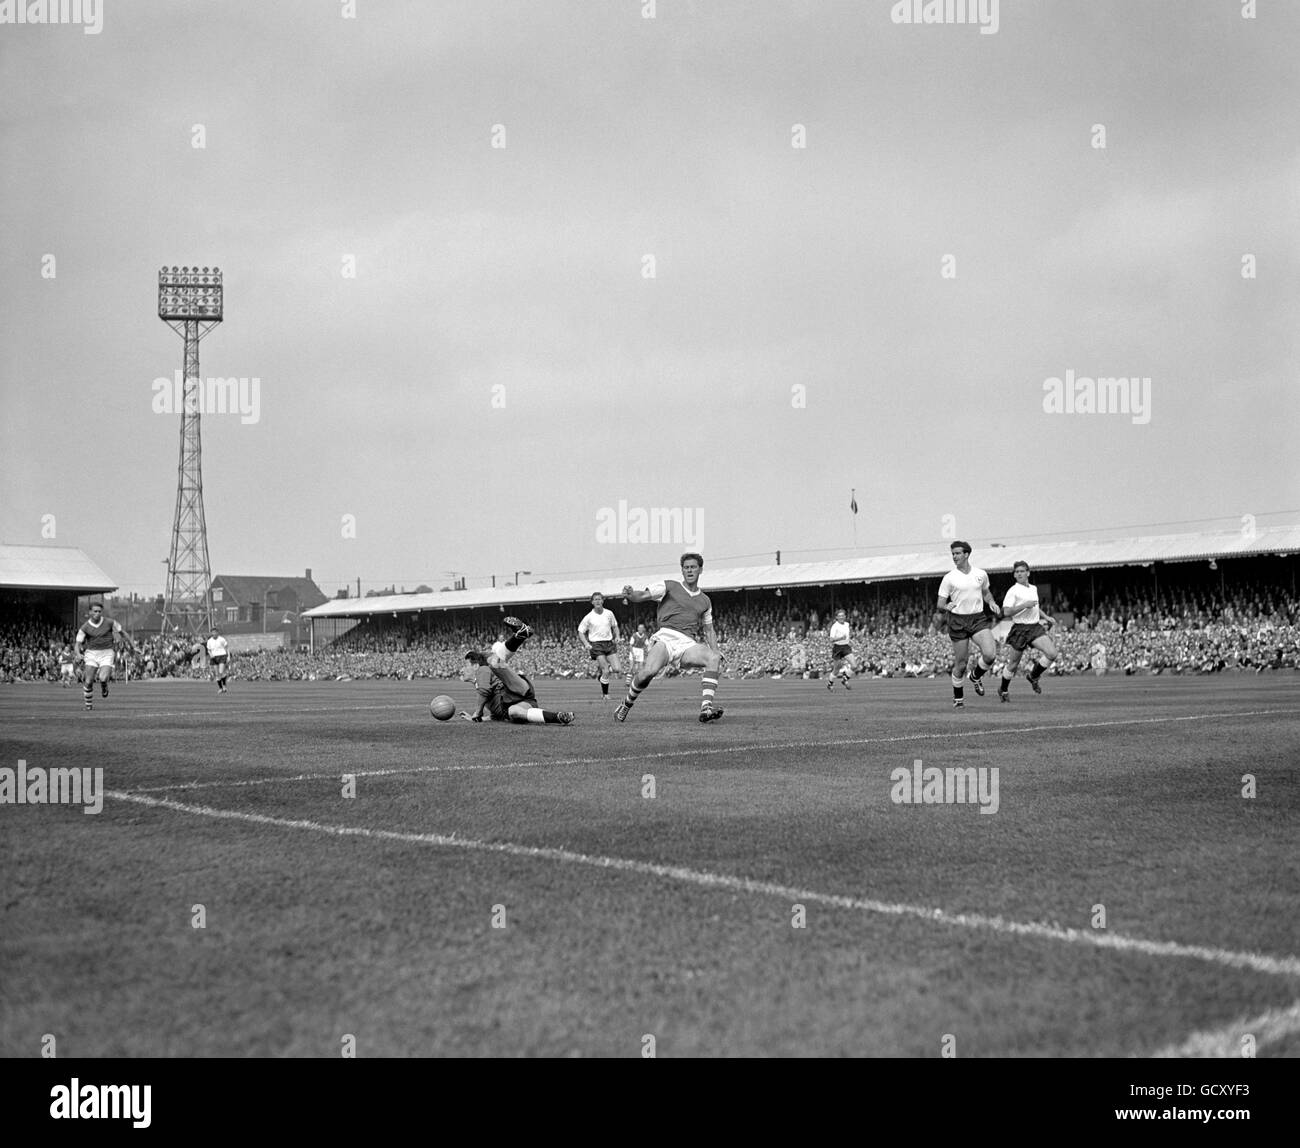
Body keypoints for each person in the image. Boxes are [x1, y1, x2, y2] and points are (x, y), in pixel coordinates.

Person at [615, 552, 724, 724]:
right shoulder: (669, 586)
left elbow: (709, 630)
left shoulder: (705, 601)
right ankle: (626, 704)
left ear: (700, 570)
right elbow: (642, 596)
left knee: (713, 657)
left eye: (693, 567)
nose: (689, 570)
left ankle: (706, 708)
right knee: (647, 673)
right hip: (665, 638)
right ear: (682, 570)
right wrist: (630, 595)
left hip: (687, 644)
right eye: (686, 567)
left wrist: (717, 650)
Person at [934, 541, 1001, 708]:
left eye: (957, 553)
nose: (955, 556)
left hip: (978, 618)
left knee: (990, 654)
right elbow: (940, 604)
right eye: (953, 554)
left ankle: (976, 676)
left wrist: (991, 602)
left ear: (966, 554)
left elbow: (986, 592)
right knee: (961, 663)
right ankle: (958, 699)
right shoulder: (949, 578)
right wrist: (945, 606)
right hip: (957, 621)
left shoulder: (981, 574)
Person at [996, 561, 1058, 701]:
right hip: (1020, 629)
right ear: (1014, 574)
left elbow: (1035, 607)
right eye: (1017, 571)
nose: (1019, 573)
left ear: (1028, 573)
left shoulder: (1033, 588)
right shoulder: (1013, 590)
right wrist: (1024, 605)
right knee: (1013, 664)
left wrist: (1046, 616)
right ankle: (1003, 689)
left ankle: (1033, 676)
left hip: (1035, 627)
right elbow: (1006, 611)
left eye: (1022, 571)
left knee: (1052, 653)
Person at [461, 649, 574, 724]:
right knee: (514, 712)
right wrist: (479, 719)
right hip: (518, 702)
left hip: (515, 695)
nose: (462, 670)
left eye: (465, 665)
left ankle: (518, 636)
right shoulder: (480, 682)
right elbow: (497, 715)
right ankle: (559, 717)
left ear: (475, 665)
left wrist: (477, 713)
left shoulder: (482, 670)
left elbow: (484, 691)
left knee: (513, 710)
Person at [75, 601, 130, 710]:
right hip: (91, 653)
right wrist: (78, 654)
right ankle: (88, 706)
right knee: (88, 681)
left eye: (99, 611)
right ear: (90, 612)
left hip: (107, 652)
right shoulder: (85, 627)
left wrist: (133, 646)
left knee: (103, 677)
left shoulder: (110, 622)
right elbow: (77, 644)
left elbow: (123, 632)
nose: (97, 613)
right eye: (95, 611)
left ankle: (104, 685)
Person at [577, 592, 622, 702]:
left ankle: (602, 677)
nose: (597, 601)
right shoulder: (589, 617)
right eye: (595, 599)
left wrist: (617, 636)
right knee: (605, 670)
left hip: (609, 643)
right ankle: (605, 695)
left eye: (599, 599)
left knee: (617, 669)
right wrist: (586, 643)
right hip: (596, 645)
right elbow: (580, 632)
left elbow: (615, 626)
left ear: (603, 601)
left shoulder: (609, 613)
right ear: (592, 602)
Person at [826, 608, 855, 690]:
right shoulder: (834, 626)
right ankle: (830, 683)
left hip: (846, 647)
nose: (841, 617)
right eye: (839, 616)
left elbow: (847, 636)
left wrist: (850, 641)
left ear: (845, 616)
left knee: (854, 665)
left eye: (843, 615)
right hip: (837, 648)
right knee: (836, 669)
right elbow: (831, 639)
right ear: (836, 617)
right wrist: (840, 638)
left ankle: (845, 679)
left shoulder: (847, 624)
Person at [206, 625, 231, 694]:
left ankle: (225, 686)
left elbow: (227, 648)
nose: (214, 633)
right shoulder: (209, 641)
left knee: (221, 672)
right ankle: (220, 688)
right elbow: (209, 650)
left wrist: (228, 656)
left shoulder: (221, 639)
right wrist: (210, 655)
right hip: (214, 657)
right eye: (212, 632)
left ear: (217, 632)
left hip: (222, 656)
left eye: (215, 632)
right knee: (217, 674)